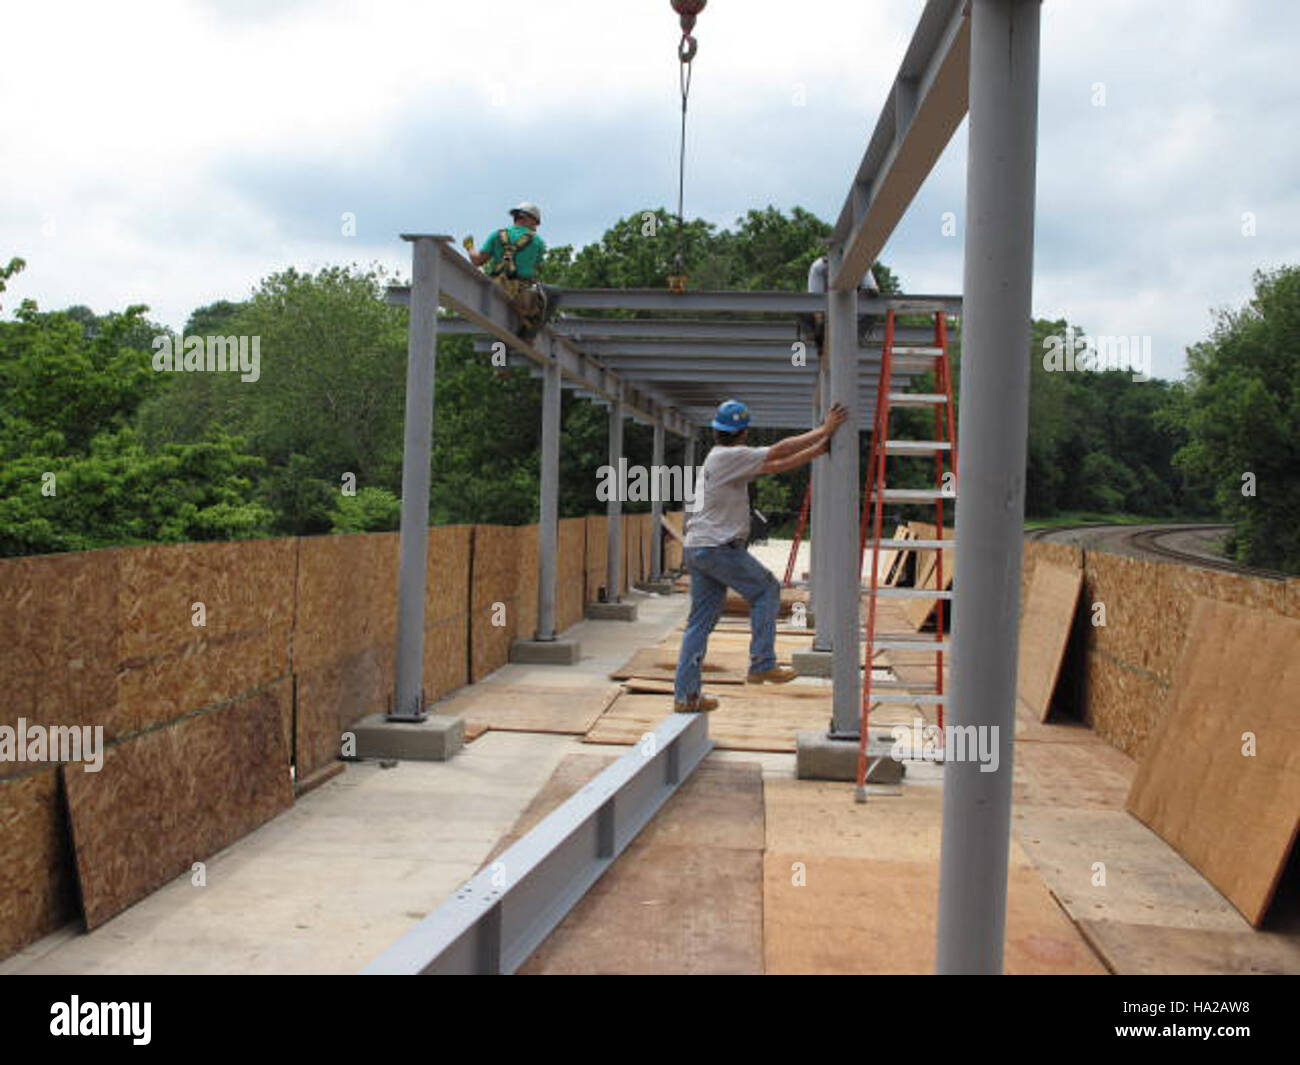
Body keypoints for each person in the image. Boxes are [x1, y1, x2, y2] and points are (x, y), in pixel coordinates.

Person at [673, 398, 850, 713]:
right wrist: (824, 429)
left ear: (717, 430)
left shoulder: (720, 458)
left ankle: (686, 697)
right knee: (766, 589)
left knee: (699, 623)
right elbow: (779, 450)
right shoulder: (729, 456)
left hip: (700, 547)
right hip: (717, 547)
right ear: (743, 432)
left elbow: (773, 466)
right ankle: (762, 663)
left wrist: (816, 450)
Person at [468, 202, 554, 339]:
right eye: (535, 223)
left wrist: (470, 248)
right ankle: (529, 334)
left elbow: (477, 261)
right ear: (527, 219)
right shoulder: (538, 242)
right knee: (551, 294)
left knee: (499, 341)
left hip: (497, 292)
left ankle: (509, 340)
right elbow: (537, 267)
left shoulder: (496, 235)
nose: (535, 228)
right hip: (523, 298)